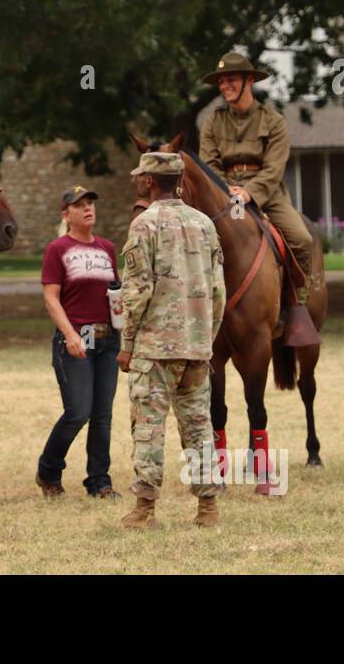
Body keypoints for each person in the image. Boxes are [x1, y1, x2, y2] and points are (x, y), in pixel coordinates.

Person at [118, 152, 226, 529]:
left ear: (150, 181)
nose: (136, 182)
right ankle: (208, 509)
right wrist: (206, 338)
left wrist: (127, 343)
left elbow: (137, 290)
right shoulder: (205, 224)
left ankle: (144, 509)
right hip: (196, 345)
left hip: (155, 347)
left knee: (148, 427)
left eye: (140, 177)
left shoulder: (143, 225)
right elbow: (217, 290)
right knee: (199, 426)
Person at [199, 51, 313, 304]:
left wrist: (250, 193)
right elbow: (209, 165)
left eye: (231, 79)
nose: (225, 85)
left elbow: (274, 168)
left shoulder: (273, 121)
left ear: (249, 81)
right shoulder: (212, 123)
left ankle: (296, 302)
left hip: (266, 194)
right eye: (221, 81)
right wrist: (224, 190)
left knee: (301, 239)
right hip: (223, 195)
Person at [35, 185, 122, 500]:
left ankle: (99, 481)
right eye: (79, 205)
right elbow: (51, 298)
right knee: (78, 412)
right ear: (66, 214)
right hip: (74, 342)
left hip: (108, 341)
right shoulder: (58, 249)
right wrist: (70, 334)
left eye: (90, 204)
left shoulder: (107, 249)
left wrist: (124, 334)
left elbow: (115, 294)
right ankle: (48, 470)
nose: (88, 209)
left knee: (102, 416)